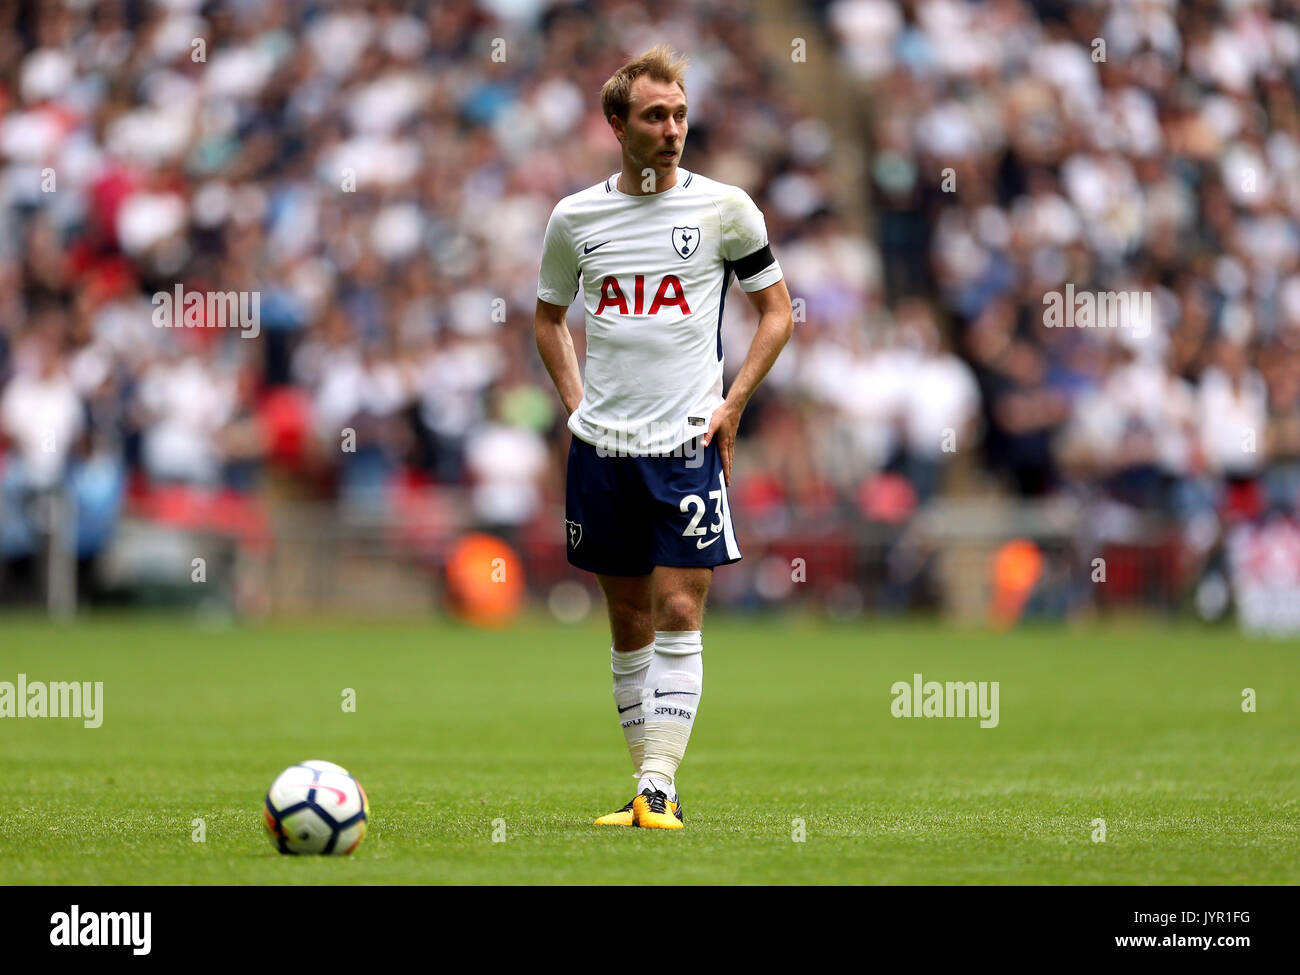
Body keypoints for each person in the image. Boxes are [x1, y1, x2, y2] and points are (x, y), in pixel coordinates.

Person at [534, 44, 793, 829]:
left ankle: (658, 783)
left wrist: (734, 401)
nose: (673, 127)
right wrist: (577, 404)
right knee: (629, 621)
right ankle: (645, 784)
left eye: (680, 113)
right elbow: (548, 319)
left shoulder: (725, 209)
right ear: (618, 124)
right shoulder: (576, 217)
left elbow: (778, 312)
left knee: (680, 604)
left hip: (685, 444)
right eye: (655, 115)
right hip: (602, 451)